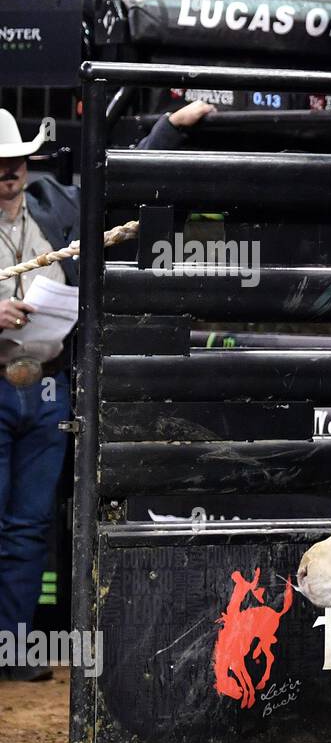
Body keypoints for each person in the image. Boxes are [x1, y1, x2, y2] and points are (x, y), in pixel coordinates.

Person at [0, 102, 209, 681]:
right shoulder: (48, 208)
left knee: (29, 523)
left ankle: (12, 649)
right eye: (1, 162)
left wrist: (169, 129)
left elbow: (119, 179)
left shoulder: (52, 206)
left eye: (15, 160)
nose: (9, 171)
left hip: (45, 387)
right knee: (14, 522)